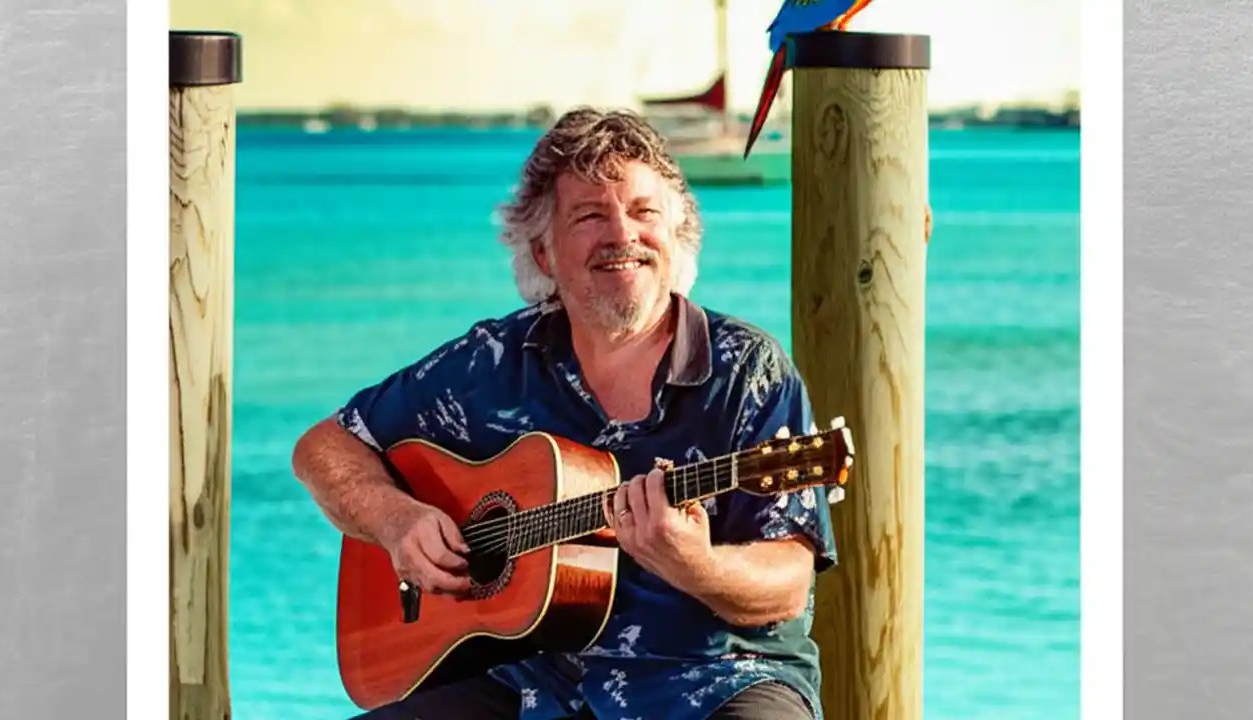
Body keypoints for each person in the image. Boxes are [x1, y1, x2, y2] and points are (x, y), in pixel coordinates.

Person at [292, 107, 927, 720]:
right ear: (544, 253)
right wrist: (397, 519)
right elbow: (326, 446)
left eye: (645, 212)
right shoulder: (495, 360)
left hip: (717, 679)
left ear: (676, 236)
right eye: (590, 215)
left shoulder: (746, 369)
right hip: (532, 682)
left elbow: (787, 583)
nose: (623, 235)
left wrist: (695, 564)